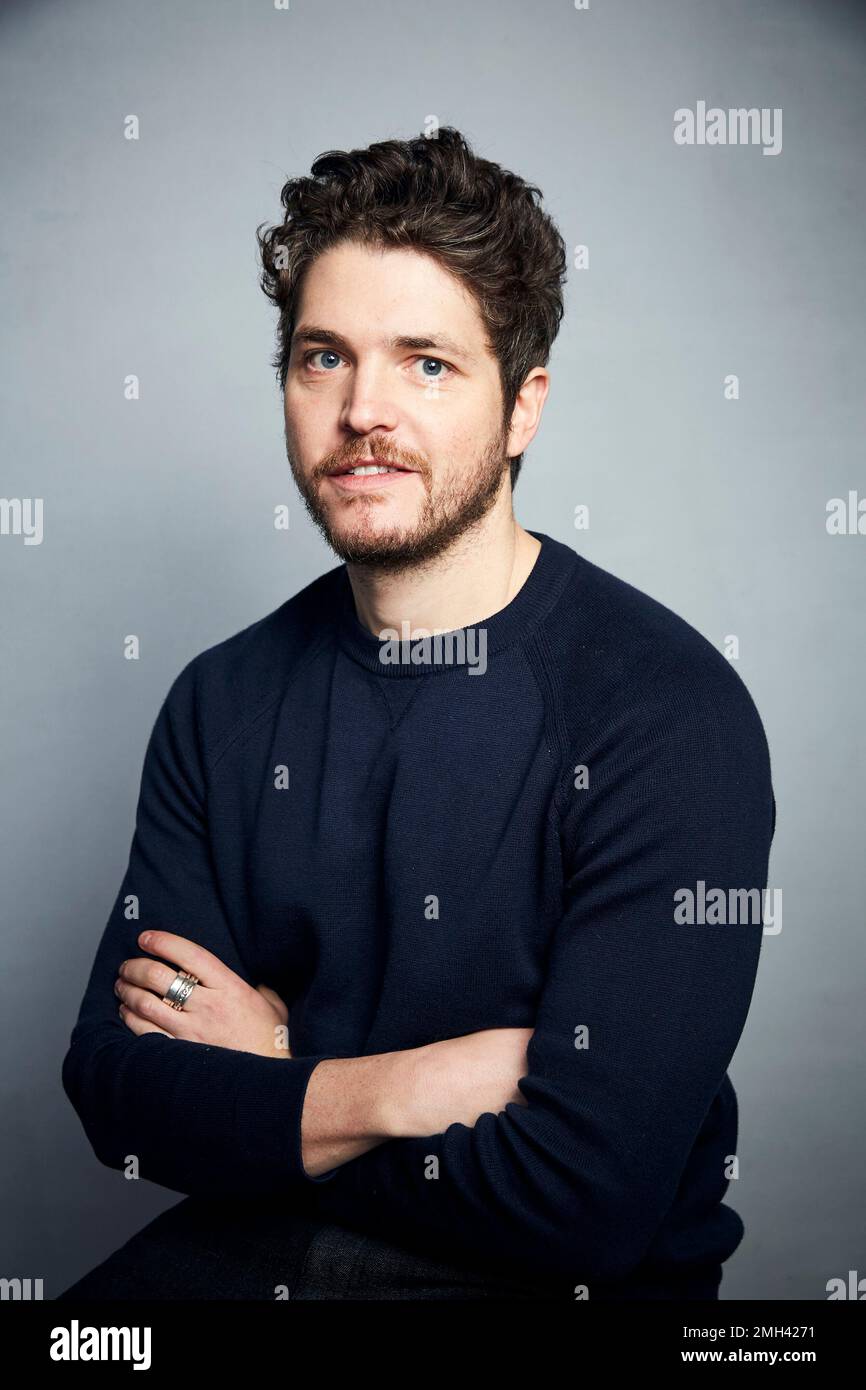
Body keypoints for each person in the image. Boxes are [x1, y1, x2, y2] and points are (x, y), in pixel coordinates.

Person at [58, 127, 775, 1302]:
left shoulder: (664, 713)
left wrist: (276, 1080)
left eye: (426, 363)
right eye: (322, 357)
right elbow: (117, 1087)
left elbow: (584, 1198)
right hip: (270, 1262)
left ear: (522, 407)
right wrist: (395, 1088)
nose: (362, 411)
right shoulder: (222, 700)